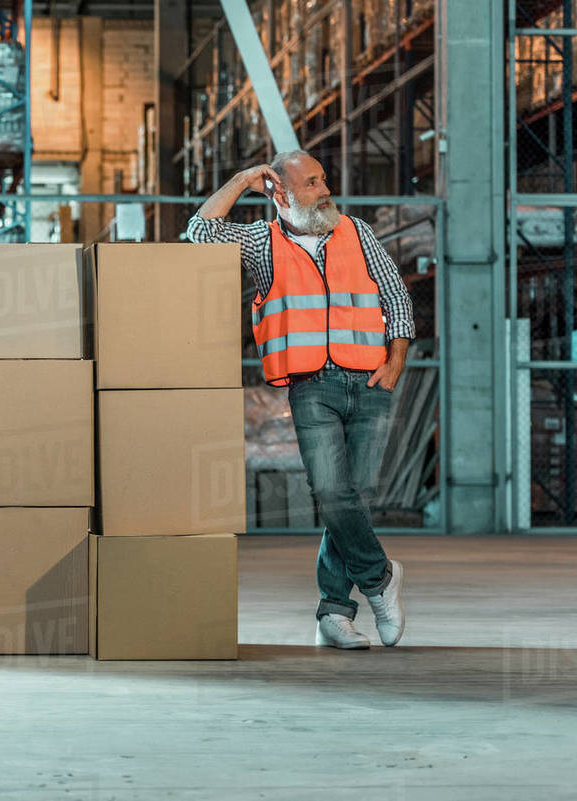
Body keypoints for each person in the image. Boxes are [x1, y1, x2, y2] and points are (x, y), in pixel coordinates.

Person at [186, 150, 414, 650]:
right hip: (313, 386)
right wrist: (243, 179)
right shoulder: (261, 244)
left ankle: (334, 613)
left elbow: (396, 296)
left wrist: (395, 361)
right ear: (281, 193)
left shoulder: (357, 233)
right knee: (332, 492)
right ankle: (379, 581)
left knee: (354, 497)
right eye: (312, 182)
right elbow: (199, 233)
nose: (325, 188)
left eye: (323, 179)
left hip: (371, 383)